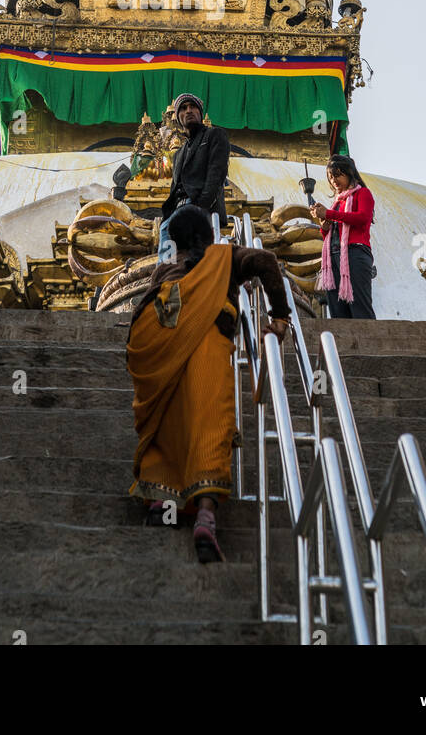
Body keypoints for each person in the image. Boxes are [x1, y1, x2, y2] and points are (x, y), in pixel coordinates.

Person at [126, 204, 291, 563]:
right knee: (209, 425)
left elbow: (144, 316)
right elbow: (266, 261)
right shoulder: (224, 259)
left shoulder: (164, 271)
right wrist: (280, 318)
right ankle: (205, 515)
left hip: (165, 359)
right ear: (210, 235)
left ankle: (162, 502)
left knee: (167, 425)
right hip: (210, 351)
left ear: (174, 241)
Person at [309, 154, 376, 320]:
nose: (334, 181)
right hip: (333, 257)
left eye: (338, 175)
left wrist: (329, 213)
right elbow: (328, 233)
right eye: (331, 177)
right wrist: (325, 224)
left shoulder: (363, 194)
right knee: (338, 311)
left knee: (359, 306)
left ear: (350, 173)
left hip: (355, 254)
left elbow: (362, 219)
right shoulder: (338, 203)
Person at [160, 93, 230, 224]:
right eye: (183, 108)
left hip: (201, 209)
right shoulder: (178, 153)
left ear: (200, 113)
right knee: (165, 240)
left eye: (193, 107)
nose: (188, 111)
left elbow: (216, 173)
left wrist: (200, 207)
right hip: (175, 213)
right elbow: (174, 189)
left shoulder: (214, 135)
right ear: (177, 116)